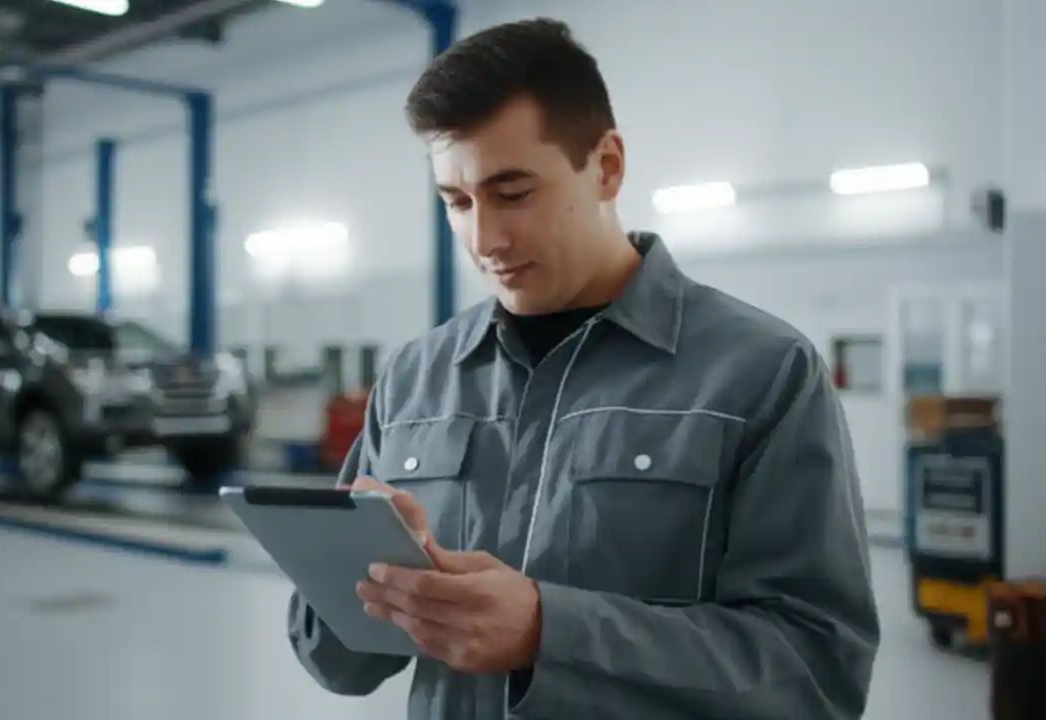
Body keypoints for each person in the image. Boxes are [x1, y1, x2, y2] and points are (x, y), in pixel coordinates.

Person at [286, 17, 880, 719]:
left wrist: (549, 631)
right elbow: (333, 660)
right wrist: (381, 582)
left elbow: (816, 673)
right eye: (456, 202)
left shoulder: (762, 375)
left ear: (607, 166)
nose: (485, 239)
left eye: (513, 194)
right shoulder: (419, 379)